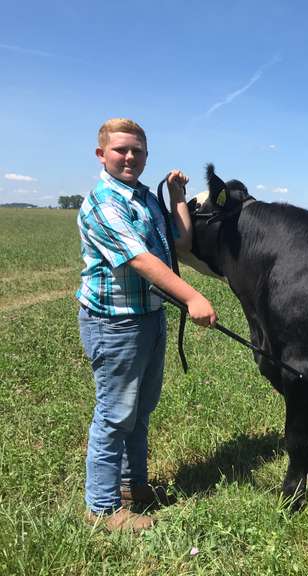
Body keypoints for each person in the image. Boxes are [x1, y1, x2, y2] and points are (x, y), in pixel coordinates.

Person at [76, 118, 216, 532]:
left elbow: (180, 243)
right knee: (115, 414)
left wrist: (176, 198)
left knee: (139, 411)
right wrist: (192, 296)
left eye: (138, 150)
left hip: (148, 317)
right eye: (121, 150)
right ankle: (101, 509)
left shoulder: (142, 196)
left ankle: (132, 488)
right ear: (102, 154)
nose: (130, 157)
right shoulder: (104, 201)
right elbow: (140, 259)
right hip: (114, 323)